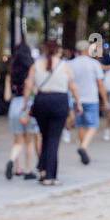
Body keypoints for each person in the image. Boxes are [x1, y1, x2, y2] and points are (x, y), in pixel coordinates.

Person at [22, 39, 81, 186]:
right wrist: (77, 103)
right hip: (59, 101)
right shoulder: (64, 66)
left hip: (41, 100)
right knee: (53, 139)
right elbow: (73, 86)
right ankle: (50, 175)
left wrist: (25, 104)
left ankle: (42, 170)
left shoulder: (36, 65)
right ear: (58, 51)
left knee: (45, 136)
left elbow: (28, 85)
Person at [69, 40, 107, 165]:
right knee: (93, 125)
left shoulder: (70, 64)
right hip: (91, 98)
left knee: (80, 125)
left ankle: (82, 148)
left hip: (77, 99)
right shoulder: (94, 64)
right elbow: (100, 83)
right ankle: (83, 147)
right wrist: (105, 100)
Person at [4, 41, 38, 180]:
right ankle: (28, 170)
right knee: (29, 141)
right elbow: (34, 91)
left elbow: (6, 97)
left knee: (17, 141)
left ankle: (13, 161)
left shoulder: (10, 73)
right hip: (27, 105)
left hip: (14, 106)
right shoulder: (32, 70)